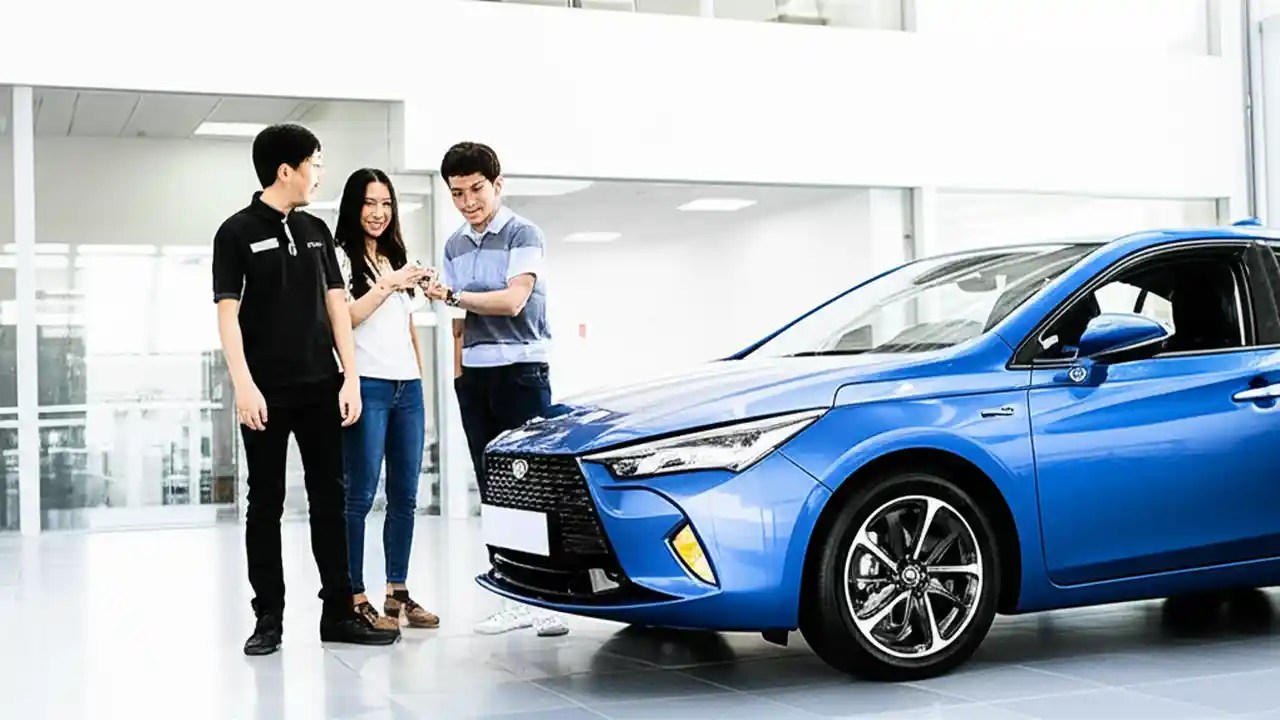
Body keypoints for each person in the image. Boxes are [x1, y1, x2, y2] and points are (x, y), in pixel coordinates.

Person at [212, 124, 401, 655]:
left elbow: (337, 306)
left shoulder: (317, 231)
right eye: (315, 163)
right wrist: (244, 386)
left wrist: (352, 376)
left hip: (322, 386)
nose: (319, 173)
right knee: (264, 503)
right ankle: (268, 617)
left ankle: (338, 612)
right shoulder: (235, 232)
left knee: (330, 500)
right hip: (265, 394)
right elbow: (228, 317)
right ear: (286, 170)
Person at [426, 141, 569, 637]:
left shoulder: (524, 233)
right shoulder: (453, 245)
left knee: (536, 487)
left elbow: (512, 301)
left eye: (476, 190)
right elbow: (459, 323)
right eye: (457, 193)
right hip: (477, 376)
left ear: (498, 184)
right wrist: (460, 376)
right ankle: (513, 596)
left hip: (523, 372)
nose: (468, 202)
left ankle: (550, 602)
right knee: (495, 490)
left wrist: (450, 294)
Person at [333, 168, 440, 631]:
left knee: (405, 496)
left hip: (406, 389)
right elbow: (346, 320)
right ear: (354, 207)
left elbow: (408, 328)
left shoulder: (399, 256)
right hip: (368, 385)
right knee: (358, 496)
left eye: (386, 204)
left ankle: (397, 592)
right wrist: (389, 284)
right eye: (369, 203)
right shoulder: (339, 258)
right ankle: (355, 596)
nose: (378, 213)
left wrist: (419, 385)